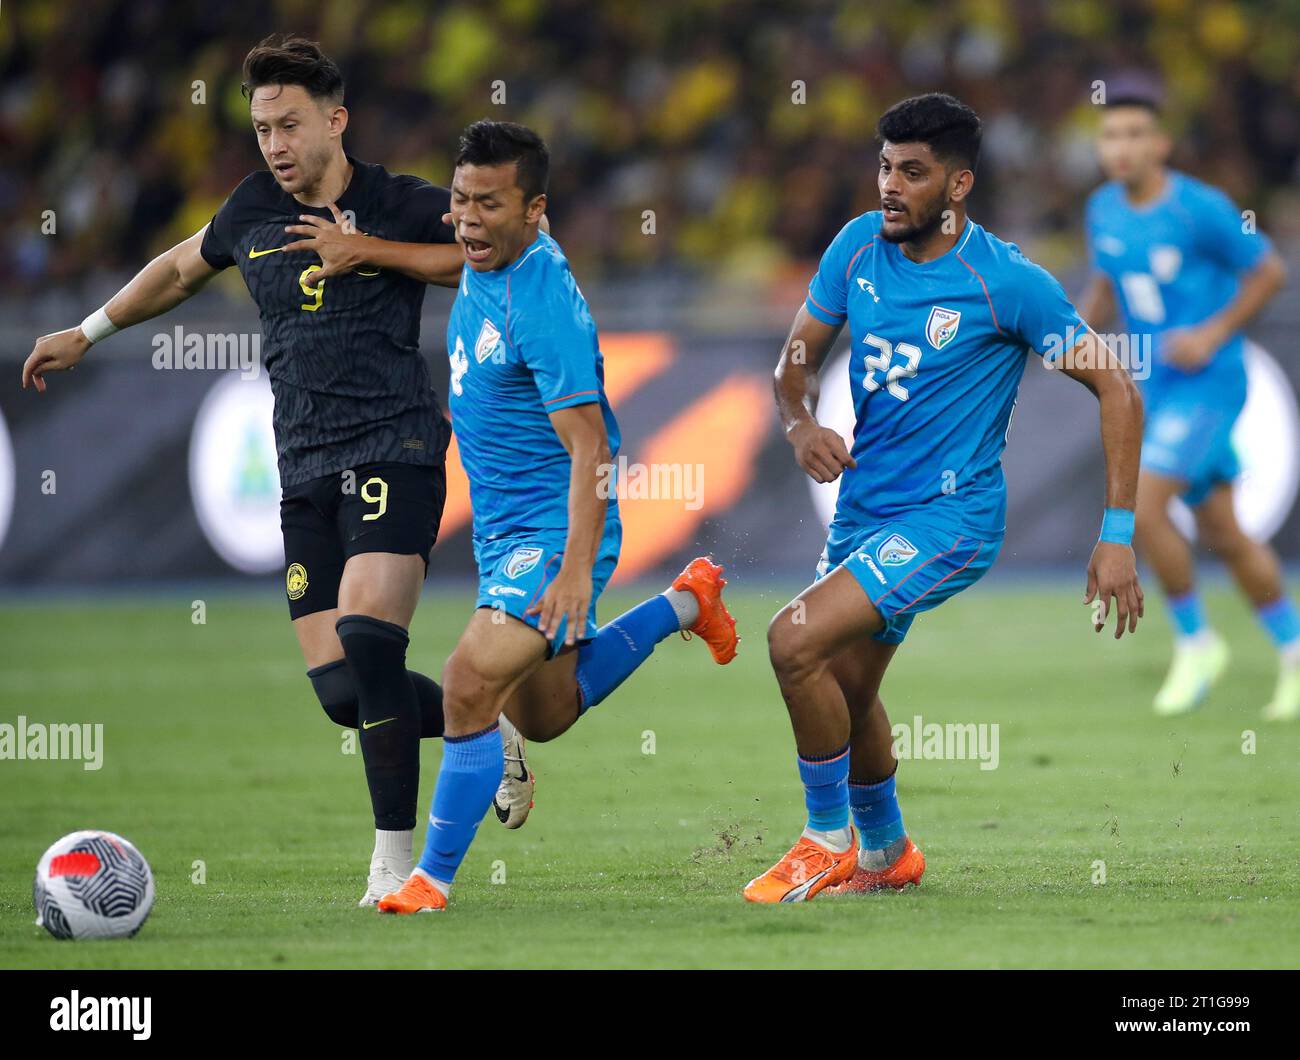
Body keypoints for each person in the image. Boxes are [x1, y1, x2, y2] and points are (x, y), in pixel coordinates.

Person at [745, 93, 1144, 903]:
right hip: (864, 513)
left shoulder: (1006, 283)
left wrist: (1117, 533)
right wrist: (797, 424)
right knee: (847, 692)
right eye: (886, 166)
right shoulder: (857, 246)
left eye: (913, 173)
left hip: (950, 519)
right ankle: (887, 855)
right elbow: (795, 360)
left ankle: (824, 840)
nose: (891, 186)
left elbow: (1117, 389)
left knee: (792, 643)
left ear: (958, 185)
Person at [1079, 95, 1295, 719]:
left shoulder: (1201, 208)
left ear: (1160, 145)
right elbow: (1103, 287)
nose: (1120, 146)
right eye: (1109, 135)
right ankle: (1294, 652)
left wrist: (1212, 331)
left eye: (1134, 134)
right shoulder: (1102, 209)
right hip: (1157, 388)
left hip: (1211, 384)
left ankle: (1197, 641)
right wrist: (1067, 338)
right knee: (1226, 532)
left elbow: (1269, 272)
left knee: (1143, 504)